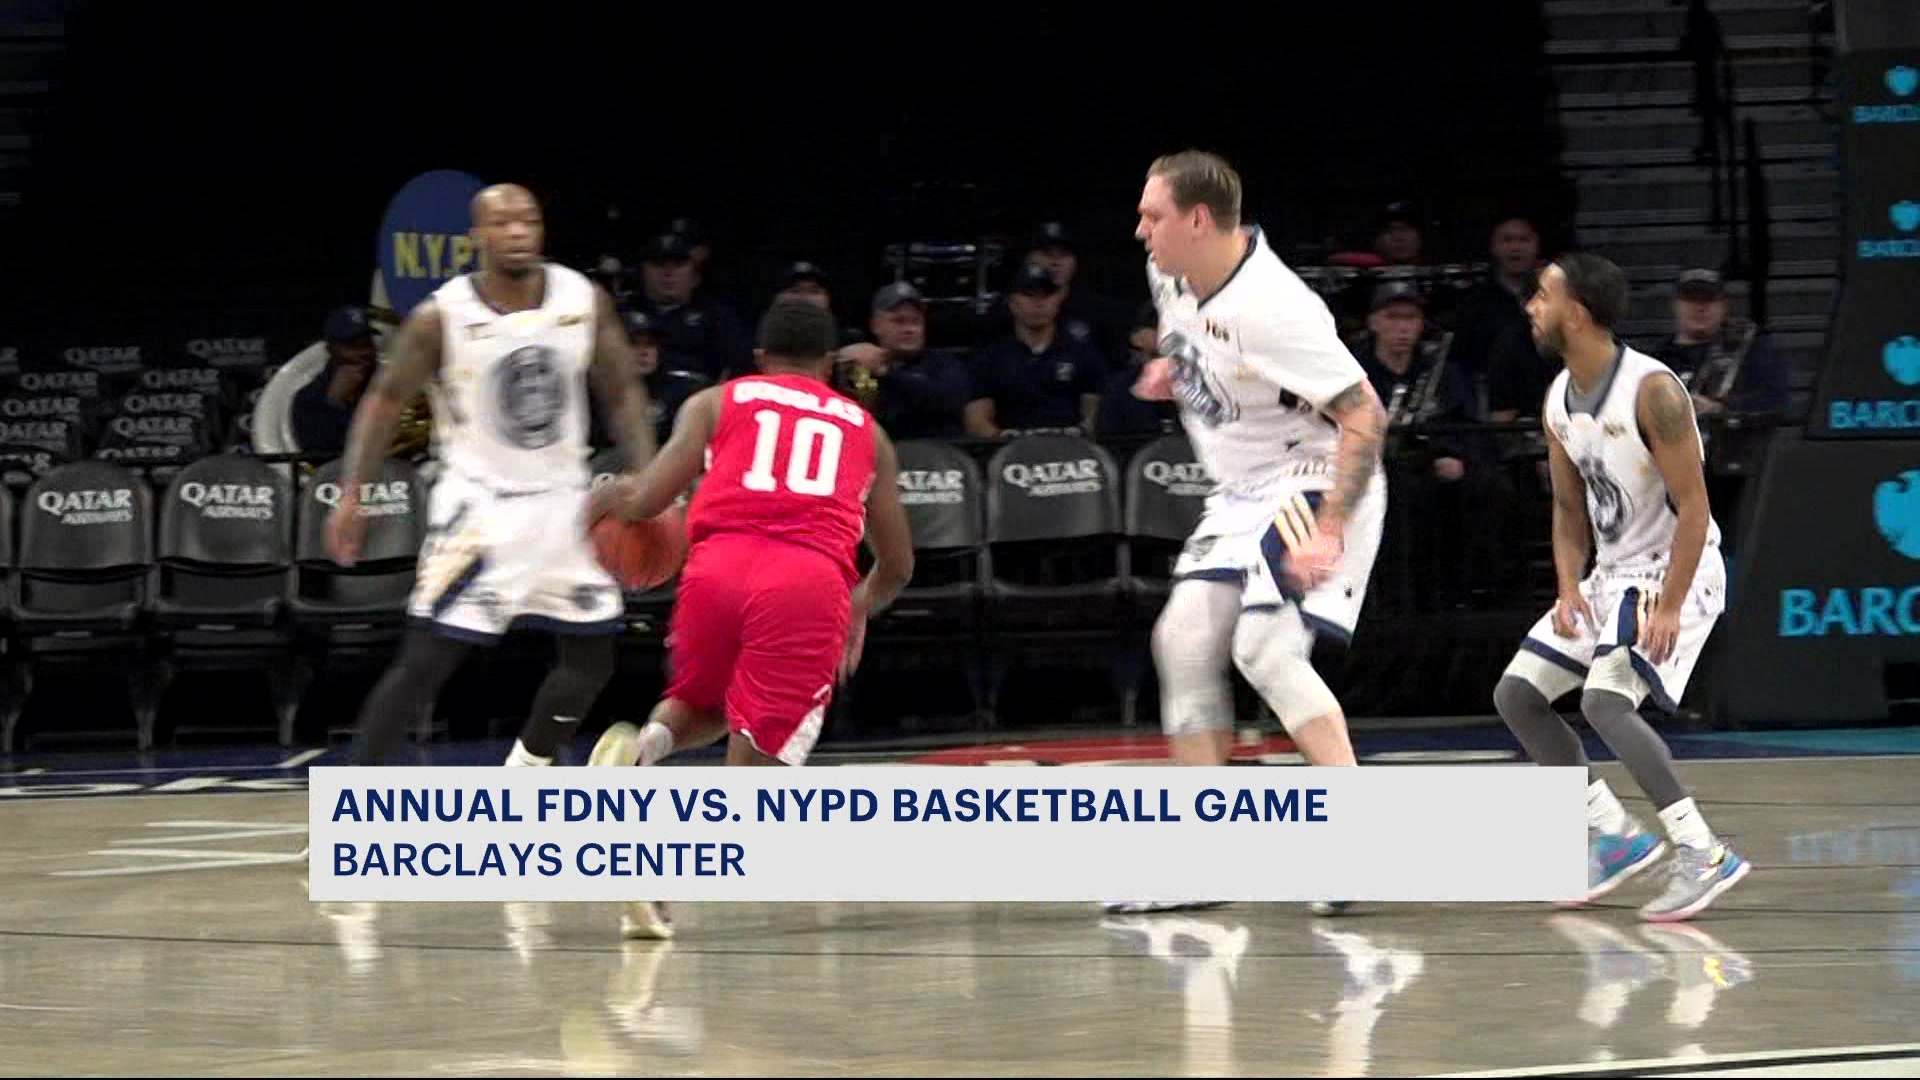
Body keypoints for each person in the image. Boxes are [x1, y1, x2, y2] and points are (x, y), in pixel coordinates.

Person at [586, 298, 916, 939]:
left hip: (715, 568)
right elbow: (898, 564)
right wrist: (858, 606)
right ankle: (657, 881)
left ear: (760, 358)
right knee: (759, 776)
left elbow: (646, 499)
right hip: (806, 582)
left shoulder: (714, 402)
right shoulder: (865, 431)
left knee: (701, 703)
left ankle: (639, 750)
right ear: (829, 364)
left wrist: (601, 498)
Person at [1116, 150, 1390, 917]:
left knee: (1264, 650)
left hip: (1313, 475)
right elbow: (1192, 339)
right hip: (1240, 492)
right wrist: (1176, 373)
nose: (1140, 228)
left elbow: (1366, 415)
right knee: (1182, 642)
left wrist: (1329, 529)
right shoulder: (1171, 273)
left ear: (1198, 220)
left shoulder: (1277, 307)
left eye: (1154, 215)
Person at [326, 183, 656, 769]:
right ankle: (347, 811)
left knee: (593, 657)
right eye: (502, 223)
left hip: (564, 504)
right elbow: (383, 400)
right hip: (478, 510)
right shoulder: (441, 316)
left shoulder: (582, 298)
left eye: (528, 220)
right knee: (424, 664)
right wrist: (351, 493)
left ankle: (524, 776)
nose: (517, 232)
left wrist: (647, 475)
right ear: (477, 237)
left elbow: (622, 390)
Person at [1490, 252, 1749, 923]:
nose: (1531, 308)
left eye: (1542, 296)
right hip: (1610, 576)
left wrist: (1669, 603)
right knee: (1518, 696)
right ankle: (1609, 832)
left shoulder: (1651, 391)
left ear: (1575, 311)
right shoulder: (1556, 399)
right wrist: (1567, 584)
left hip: (1674, 568)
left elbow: (1695, 507)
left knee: (1606, 703)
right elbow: (1569, 510)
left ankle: (1703, 851)